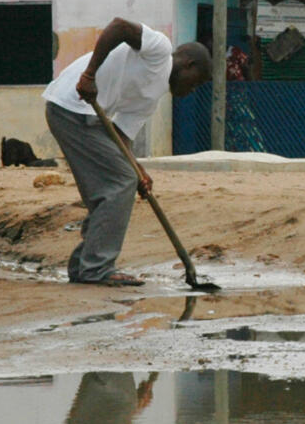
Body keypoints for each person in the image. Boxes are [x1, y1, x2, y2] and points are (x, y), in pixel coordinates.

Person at [42, 18, 211, 286]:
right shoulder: (158, 50)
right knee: (119, 183)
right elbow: (119, 27)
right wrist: (89, 74)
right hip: (71, 108)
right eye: (196, 83)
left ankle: (83, 266)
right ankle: (96, 268)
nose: (192, 91)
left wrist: (139, 171)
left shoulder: (150, 100)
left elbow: (120, 136)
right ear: (189, 64)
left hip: (86, 119)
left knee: (115, 186)